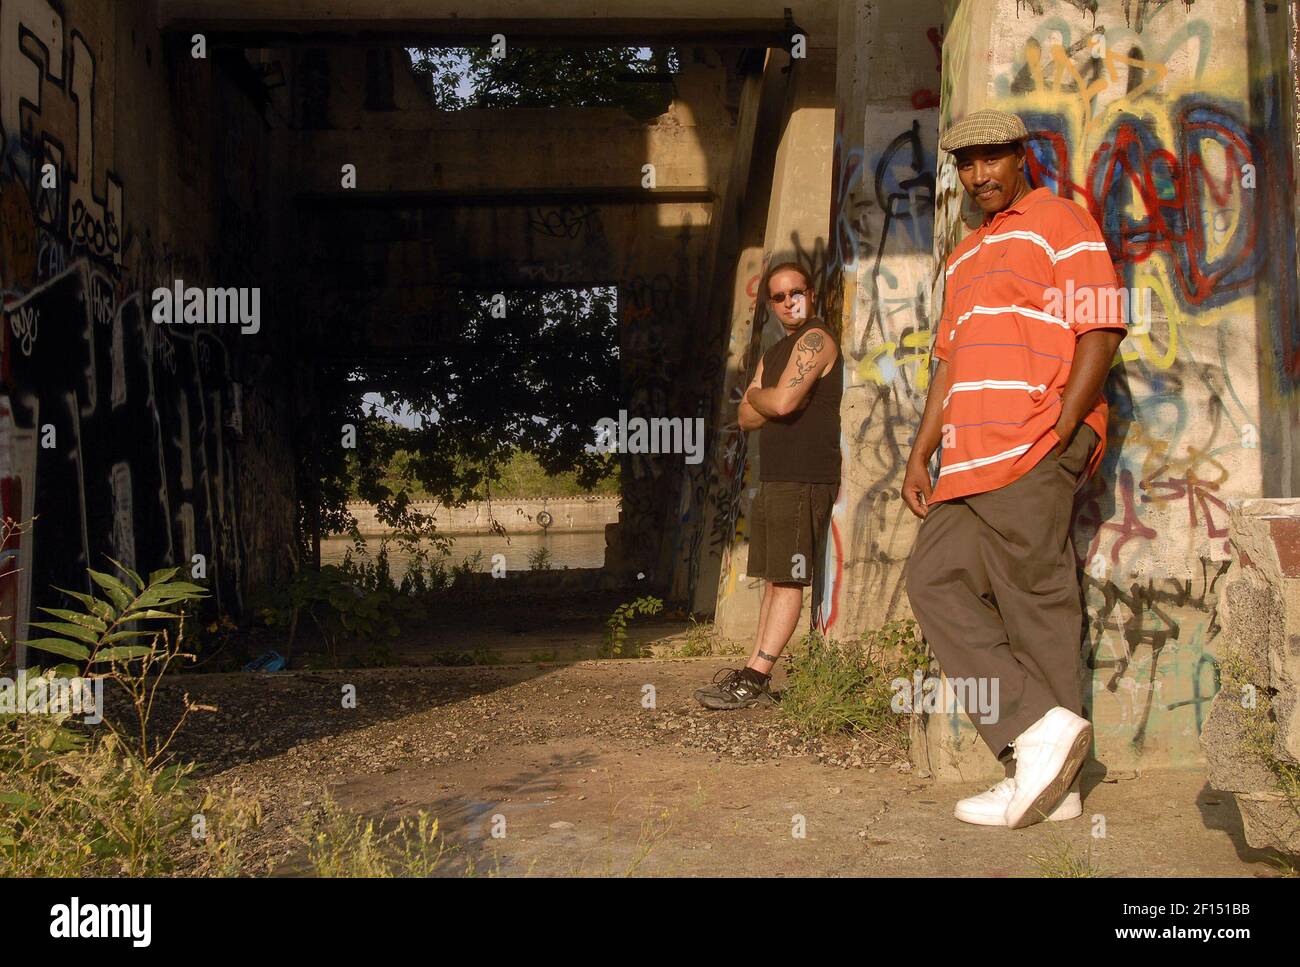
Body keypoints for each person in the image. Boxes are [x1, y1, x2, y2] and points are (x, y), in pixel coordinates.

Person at [902, 109, 1127, 828]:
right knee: (932, 578)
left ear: (1019, 156)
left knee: (1037, 604)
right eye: (965, 164)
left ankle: (1054, 785)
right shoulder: (964, 254)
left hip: (1034, 442)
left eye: (991, 158)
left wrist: (1064, 426)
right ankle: (1040, 741)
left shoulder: (1060, 220)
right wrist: (920, 449)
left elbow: (1100, 326)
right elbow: (950, 366)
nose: (978, 175)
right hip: (967, 456)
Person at [694, 262, 842, 710]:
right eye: (779, 296)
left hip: (805, 476)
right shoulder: (777, 351)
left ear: (811, 294)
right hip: (777, 478)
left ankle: (757, 677)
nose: (789, 301)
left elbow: (778, 401)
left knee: (789, 579)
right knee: (776, 579)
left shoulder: (816, 340)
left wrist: (761, 395)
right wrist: (762, 398)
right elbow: (745, 417)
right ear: (771, 304)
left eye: (797, 291)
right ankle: (751, 672)